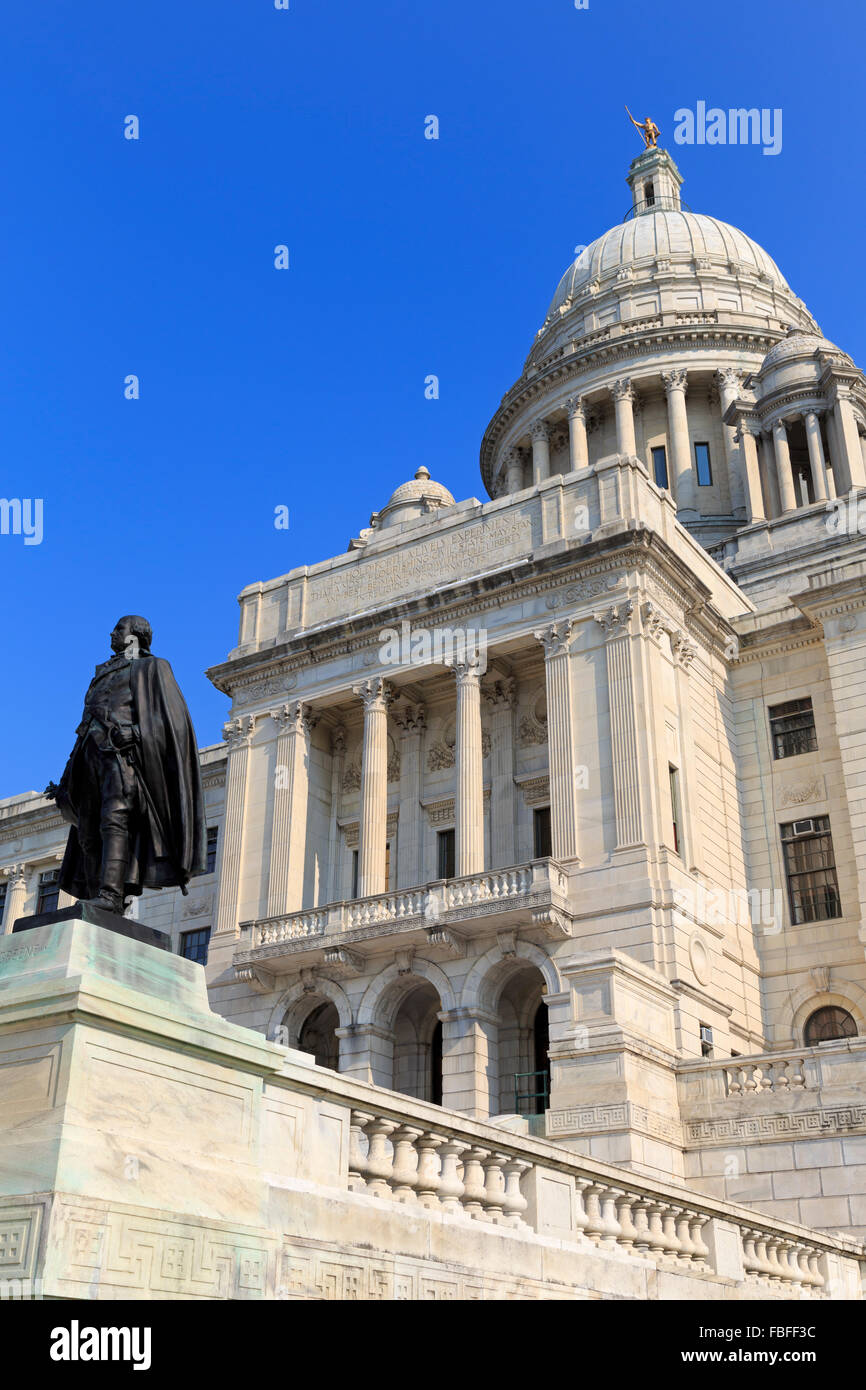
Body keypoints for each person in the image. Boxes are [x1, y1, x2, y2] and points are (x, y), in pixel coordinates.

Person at [46, 615, 207, 915]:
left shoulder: (153, 667)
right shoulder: (101, 674)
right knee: (87, 830)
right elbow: (83, 725)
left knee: (114, 820)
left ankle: (111, 895)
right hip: (89, 758)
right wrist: (68, 775)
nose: (112, 632)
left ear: (135, 636)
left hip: (122, 759)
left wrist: (134, 733)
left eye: (119, 628)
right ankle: (96, 893)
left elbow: (173, 723)